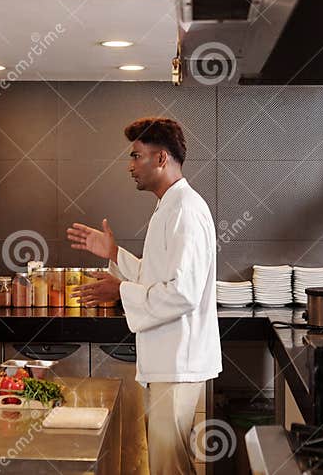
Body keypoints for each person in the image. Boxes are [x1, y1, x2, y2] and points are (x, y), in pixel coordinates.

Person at [69, 117, 221, 475]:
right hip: (167, 361)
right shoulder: (169, 207)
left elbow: (183, 292)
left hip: (178, 362)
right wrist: (114, 254)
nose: (130, 166)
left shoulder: (185, 209)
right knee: (166, 466)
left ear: (162, 158)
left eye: (137, 156)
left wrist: (118, 290)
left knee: (171, 468)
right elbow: (157, 279)